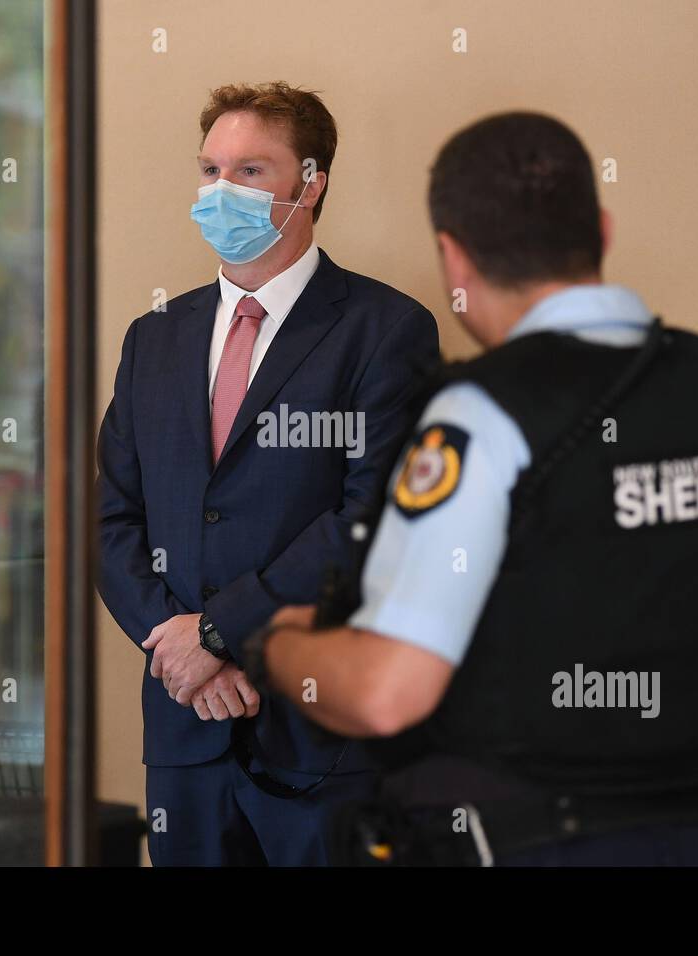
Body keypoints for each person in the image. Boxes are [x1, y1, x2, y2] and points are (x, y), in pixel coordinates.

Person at [246, 112, 698, 866]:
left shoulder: (479, 414)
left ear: (452, 258)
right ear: (601, 227)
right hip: (696, 838)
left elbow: (385, 694)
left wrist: (282, 646)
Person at [96, 81, 440, 866]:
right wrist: (179, 649)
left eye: (250, 171)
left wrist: (220, 633)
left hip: (321, 741)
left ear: (309, 184)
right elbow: (112, 518)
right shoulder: (154, 337)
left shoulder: (385, 331)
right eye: (210, 169)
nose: (222, 191)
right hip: (186, 730)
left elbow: (375, 520)